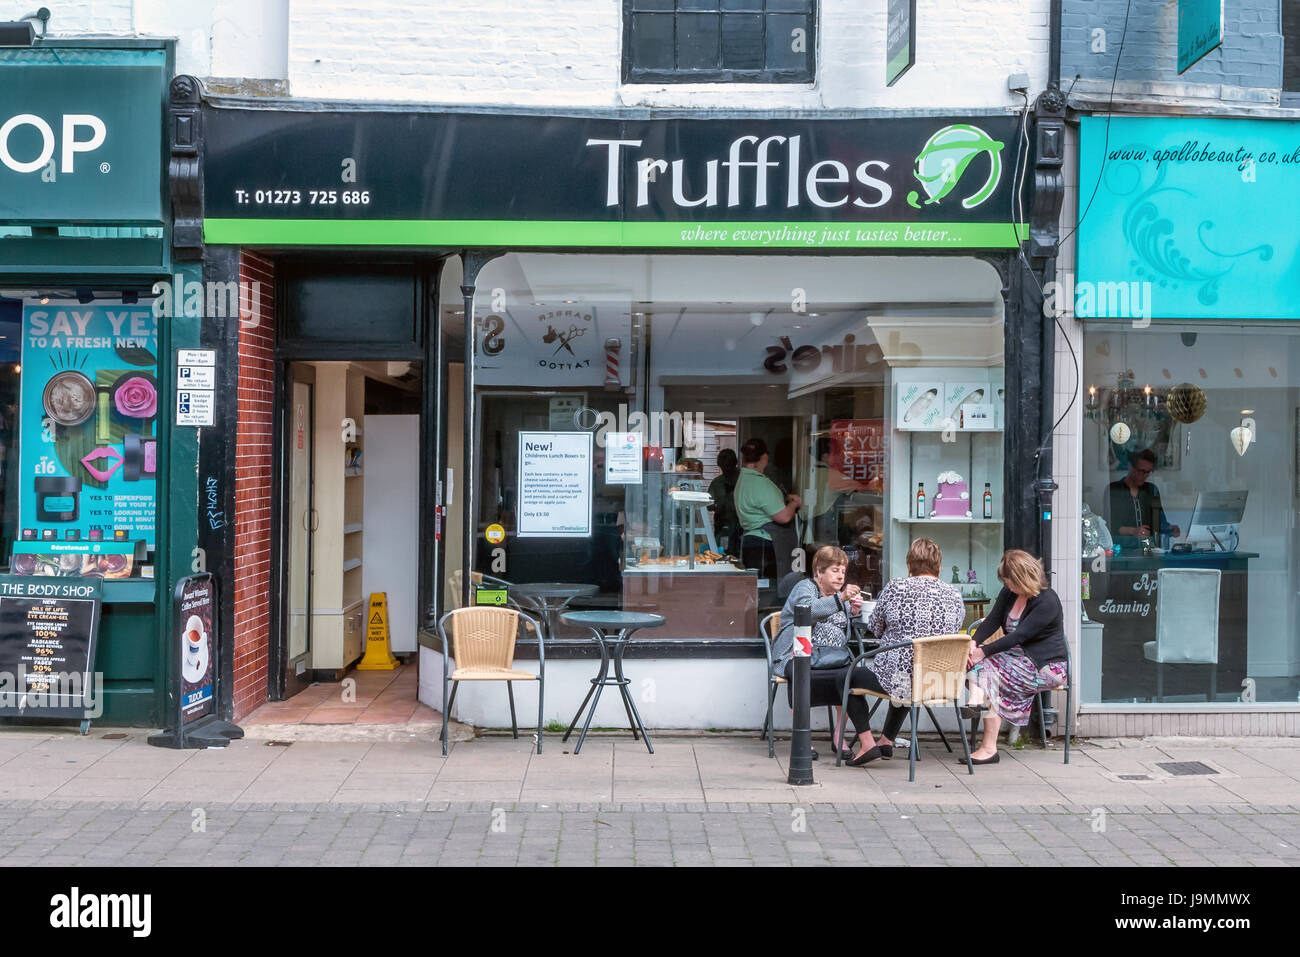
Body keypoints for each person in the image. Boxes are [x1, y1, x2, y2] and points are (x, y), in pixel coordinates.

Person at [861, 539, 965, 763]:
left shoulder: (896, 587)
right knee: (908, 679)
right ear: (939, 565)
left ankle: (866, 744)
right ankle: (886, 740)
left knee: (846, 677)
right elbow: (953, 631)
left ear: (909, 565)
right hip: (938, 678)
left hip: (902, 680)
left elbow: (875, 628)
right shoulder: (954, 594)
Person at [964, 549, 1069, 765]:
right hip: (1015, 659)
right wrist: (974, 642)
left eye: (1010, 581)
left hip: (1047, 666)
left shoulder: (1047, 601)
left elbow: (1020, 636)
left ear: (1023, 578)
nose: (1007, 585)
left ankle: (978, 705)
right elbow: (992, 620)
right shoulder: (1009, 593)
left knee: (989, 671)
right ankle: (984, 731)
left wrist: (982, 651)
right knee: (985, 670)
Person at [770, 546, 864, 761]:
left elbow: (844, 627)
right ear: (819, 572)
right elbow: (807, 611)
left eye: (843, 571)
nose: (840, 575)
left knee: (851, 676)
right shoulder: (806, 587)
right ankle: (803, 738)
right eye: (834, 570)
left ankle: (839, 736)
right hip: (797, 654)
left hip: (834, 656)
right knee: (802, 674)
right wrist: (841, 600)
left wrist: (854, 613)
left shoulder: (839, 598)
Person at [734, 438, 801, 581]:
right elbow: (783, 517)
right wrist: (794, 504)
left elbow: (760, 503)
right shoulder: (759, 483)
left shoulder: (743, 479)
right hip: (765, 543)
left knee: (758, 587)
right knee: (770, 588)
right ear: (764, 456)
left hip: (751, 541)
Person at [1107, 448, 1180, 550]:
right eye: (1142, 471)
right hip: (1122, 550)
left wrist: (1170, 529)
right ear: (1130, 467)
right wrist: (1133, 531)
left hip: (1149, 551)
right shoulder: (1114, 490)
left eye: (1148, 472)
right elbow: (1110, 525)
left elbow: (1159, 522)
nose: (1145, 476)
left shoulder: (1151, 490)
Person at [707, 448, 742, 557]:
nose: (726, 470)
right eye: (724, 467)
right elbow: (708, 504)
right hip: (723, 527)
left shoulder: (744, 480)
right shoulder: (717, 483)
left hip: (743, 526)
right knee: (723, 555)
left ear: (735, 464)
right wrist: (716, 505)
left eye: (729, 466)